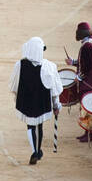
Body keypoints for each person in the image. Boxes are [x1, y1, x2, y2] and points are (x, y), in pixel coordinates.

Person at [12, 37, 62, 165]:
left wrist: (17, 98)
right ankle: (38, 151)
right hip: (42, 102)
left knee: (30, 125)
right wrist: (56, 105)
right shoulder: (49, 66)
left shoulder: (20, 65)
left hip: (26, 100)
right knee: (39, 125)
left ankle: (35, 150)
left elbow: (14, 86)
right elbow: (54, 90)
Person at [67, 21, 92, 143]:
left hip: (89, 81)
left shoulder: (87, 45)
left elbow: (86, 66)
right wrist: (73, 62)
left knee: (87, 107)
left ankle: (89, 134)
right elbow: (85, 62)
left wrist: (80, 77)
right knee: (88, 107)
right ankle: (88, 132)